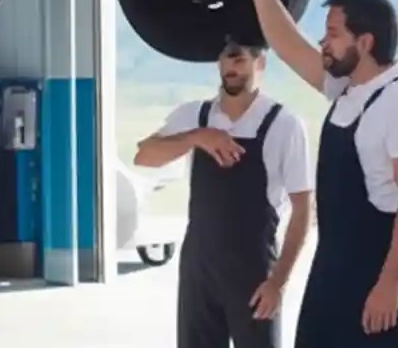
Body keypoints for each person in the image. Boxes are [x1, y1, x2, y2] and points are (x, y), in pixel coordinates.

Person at [233, 0, 398, 348]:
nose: (322, 43)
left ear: (364, 42)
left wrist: (389, 283)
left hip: (376, 281)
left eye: (332, 34)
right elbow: (287, 43)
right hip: (330, 275)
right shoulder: (347, 92)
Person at [134, 39, 314, 348]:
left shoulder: (284, 125)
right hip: (199, 269)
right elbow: (144, 156)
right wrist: (197, 137)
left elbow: (303, 209)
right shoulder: (196, 116)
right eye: (225, 61)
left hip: (254, 273)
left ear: (260, 63)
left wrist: (278, 282)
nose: (230, 69)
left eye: (239, 60)